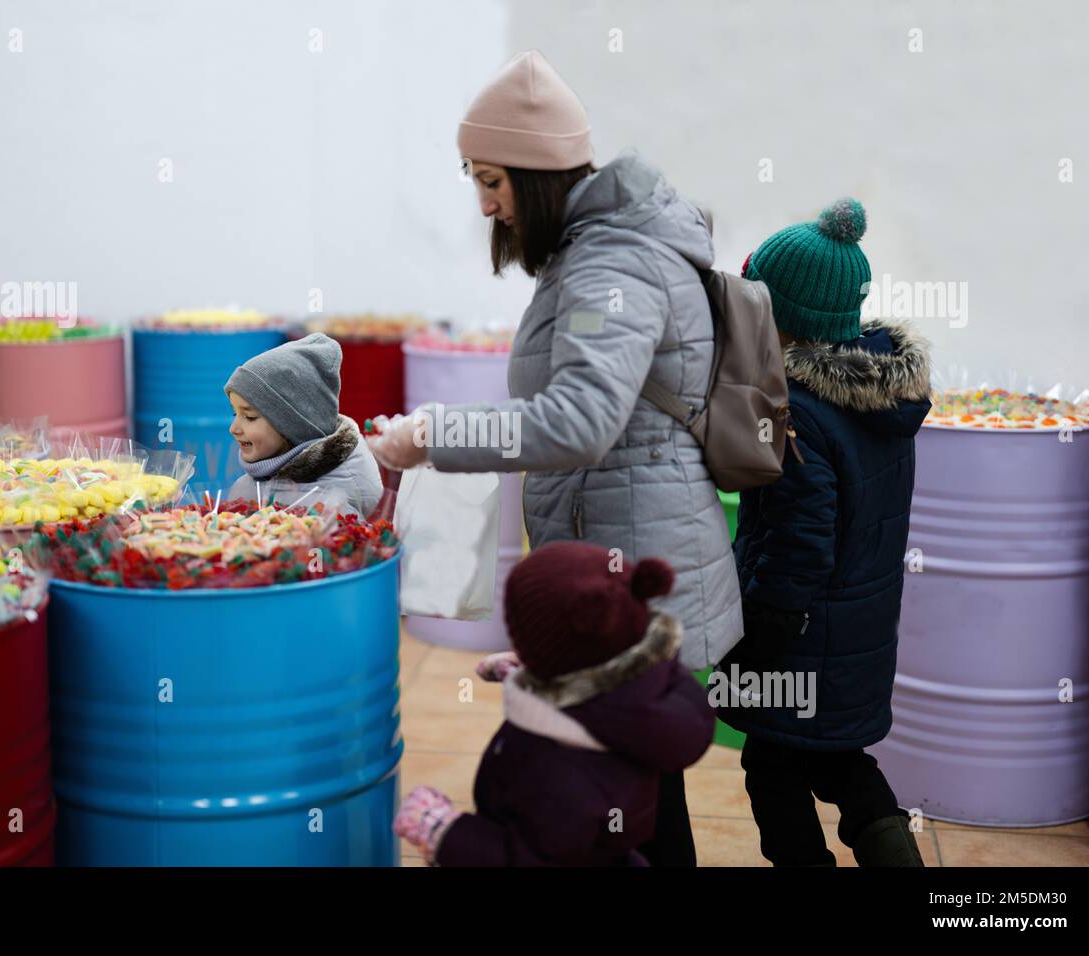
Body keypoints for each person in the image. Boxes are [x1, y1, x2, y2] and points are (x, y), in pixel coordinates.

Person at [368, 49, 741, 867]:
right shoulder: (600, 247)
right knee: (640, 797)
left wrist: (432, 435)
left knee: (627, 803)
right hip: (629, 552)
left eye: (493, 181)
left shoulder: (614, 261)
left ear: (539, 175)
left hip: (642, 561)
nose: (486, 204)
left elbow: (578, 422)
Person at [716, 198, 932, 867]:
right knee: (838, 760)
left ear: (782, 319)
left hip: (799, 635)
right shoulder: (878, 396)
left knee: (773, 768)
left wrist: (754, 643)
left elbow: (798, 547)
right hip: (855, 633)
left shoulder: (798, 414)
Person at [394, 541, 715, 866]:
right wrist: (541, 676)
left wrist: (445, 833)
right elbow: (598, 676)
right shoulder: (648, 691)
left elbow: (529, 858)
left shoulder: (561, 769)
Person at [224, 332, 381, 515]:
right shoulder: (248, 488)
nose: (233, 429)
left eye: (249, 417)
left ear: (293, 425)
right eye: (235, 413)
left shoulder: (331, 508)